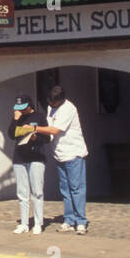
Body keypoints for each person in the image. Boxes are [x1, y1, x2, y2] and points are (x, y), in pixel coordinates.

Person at [36, 85, 89, 234]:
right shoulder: (50, 107)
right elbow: (49, 126)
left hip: (73, 154)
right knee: (65, 190)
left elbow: (54, 130)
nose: (51, 105)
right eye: (50, 102)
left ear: (61, 100)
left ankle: (80, 221)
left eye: (54, 103)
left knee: (76, 189)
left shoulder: (68, 109)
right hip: (59, 154)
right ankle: (69, 220)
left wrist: (34, 129)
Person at [7, 94, 47, 234]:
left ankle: (38, 223)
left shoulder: (39, 117)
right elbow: (11, 134)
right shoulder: (18, 118)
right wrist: (15, 119)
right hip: (20, 158)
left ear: (30, 105)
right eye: (19, 108)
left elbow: (47, 137)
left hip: (36, 157)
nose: (21, 111)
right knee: (22, 193)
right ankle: (24, 223)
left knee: (37, 192)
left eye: (23, 108)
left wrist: (36, 136)